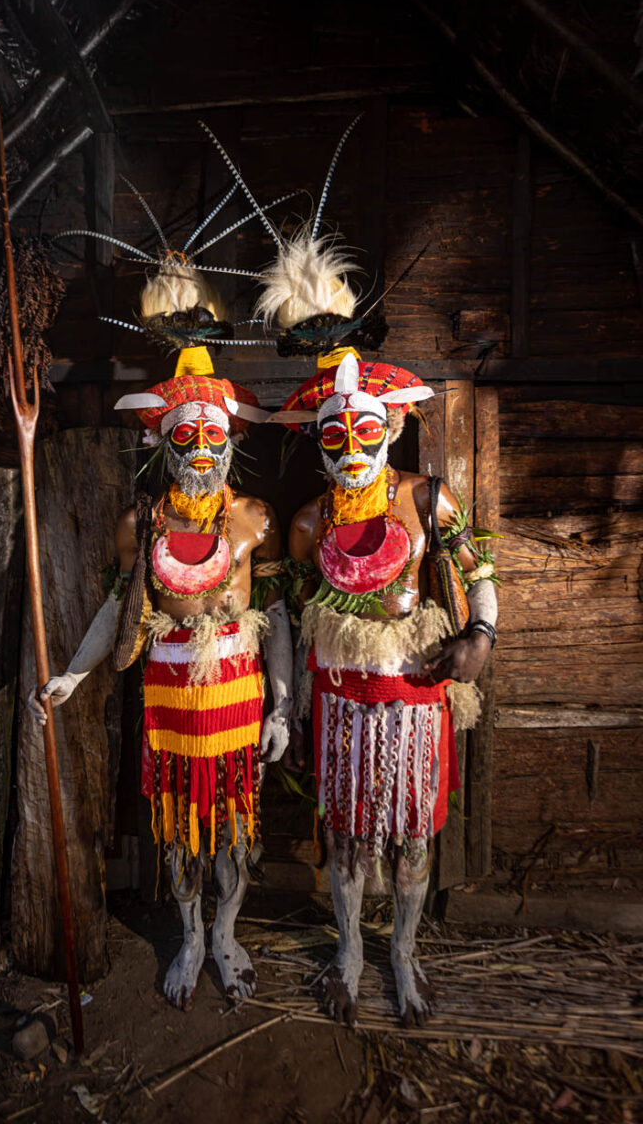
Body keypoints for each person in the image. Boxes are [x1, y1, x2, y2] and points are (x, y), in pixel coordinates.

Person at [28, 343, 292, 1010]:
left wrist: (283, 708)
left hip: (238, 698)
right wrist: (73, 676)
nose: (200, 450)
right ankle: (191, 938)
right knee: (177, 834)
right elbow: (117, 609)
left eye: (212, 436)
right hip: (170, 702)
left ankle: (225, 937)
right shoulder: (139, 526)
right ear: (161, 442)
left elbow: (276, 617)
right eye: (185, 436)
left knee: (233, 833)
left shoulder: (255, 519)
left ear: (231, 439)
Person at [279, 349, 498, 1027]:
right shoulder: (309, 524)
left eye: (366, 431)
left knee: (413, 840)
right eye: (335, 434)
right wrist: (291, 710)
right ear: (318, 439)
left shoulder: (429, 499)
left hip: (415, 697)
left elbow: (480, 570)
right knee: (345, 837)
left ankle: (402, 954)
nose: (352, 449)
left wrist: (481, 634)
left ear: (393, 428)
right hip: (342, 703)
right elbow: (294, 621)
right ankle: (349, 953)